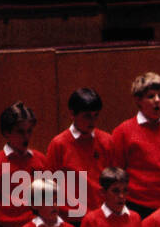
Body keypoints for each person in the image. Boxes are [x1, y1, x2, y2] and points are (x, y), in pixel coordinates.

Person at [109, 72, 160, 214]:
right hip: (136, 205)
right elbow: (117, 172)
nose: (157, 100)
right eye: (151, 96)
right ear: (138, 100)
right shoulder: (123, 131)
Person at [45, 87, 113, 219]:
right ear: (72, 114)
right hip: (71, 218)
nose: (92, 121)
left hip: (100, 216)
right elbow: (49, 184)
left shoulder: (107, 141)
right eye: (87, 116)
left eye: (95, 116)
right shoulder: (59, 144)